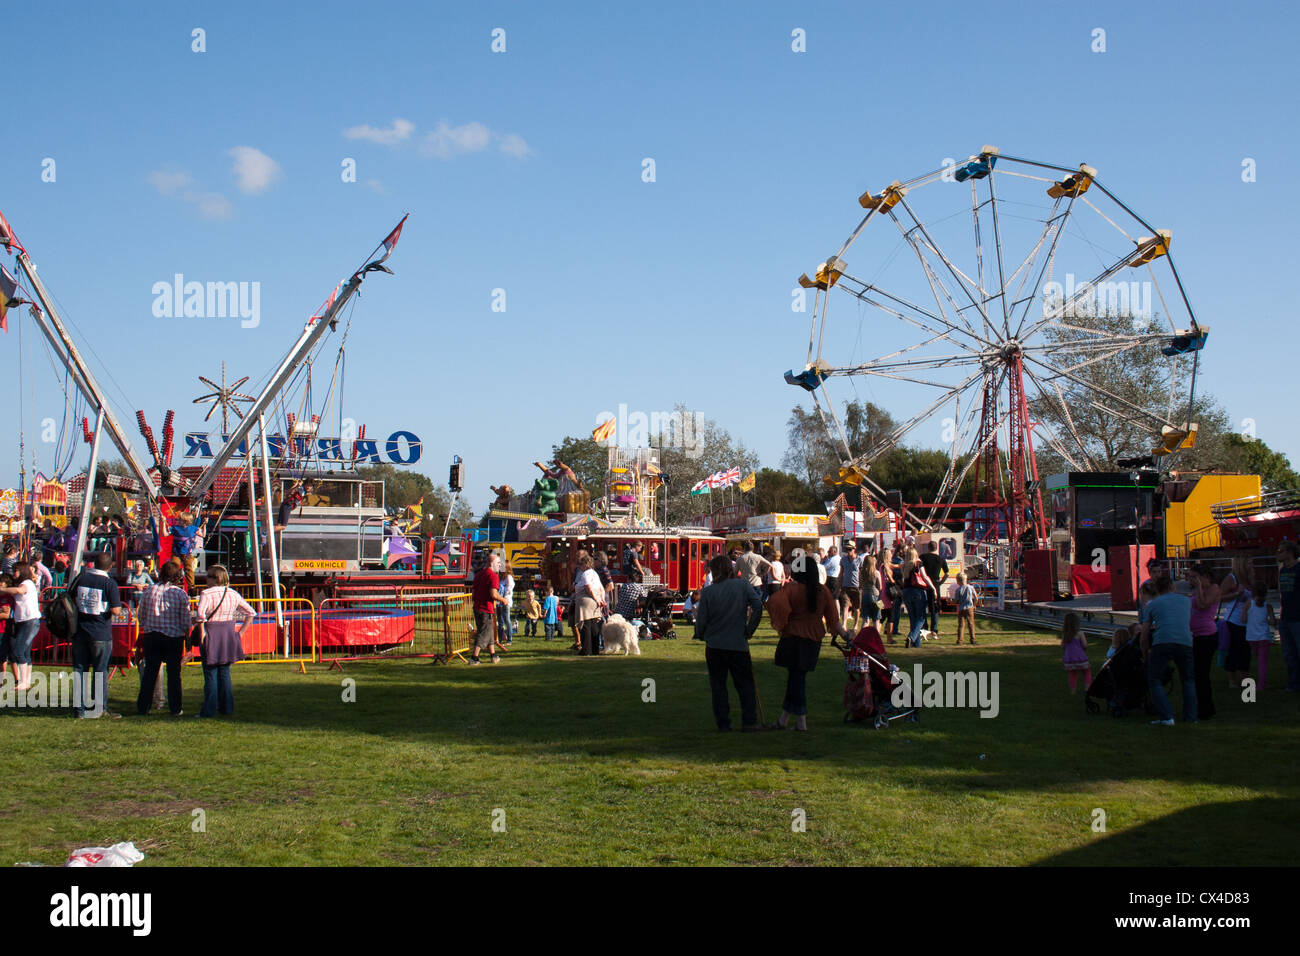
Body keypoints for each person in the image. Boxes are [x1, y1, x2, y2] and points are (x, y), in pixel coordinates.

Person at [768, 556, 848, 731]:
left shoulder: (792, 589)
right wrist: (845, 635)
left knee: (796, 679)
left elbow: (774, 603)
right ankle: (784, 719)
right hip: (814, 638)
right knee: (797, 678)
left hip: (793, 636)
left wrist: (783, 621)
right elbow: (833, 619)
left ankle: (801, 721)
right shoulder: (823, 591)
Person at [694, 554, 765, 732]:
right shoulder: (742, 585)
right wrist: (750, 629)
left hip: (715, 645)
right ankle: (749, 722)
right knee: (745, 685)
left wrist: (701, 634)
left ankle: (723, 724)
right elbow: (758, 606)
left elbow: (701, 619)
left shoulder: (709, 591)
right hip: (738, 644)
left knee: (719, 687)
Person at [195, 564, 255, 717]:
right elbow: (250, 612)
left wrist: (202, 636)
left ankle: (209, 710)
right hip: (228, 633)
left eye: (208, 576)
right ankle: (227, 708)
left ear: (215, 579)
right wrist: (240, 633)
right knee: (224, 672)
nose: (205, 579)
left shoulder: (206, 594)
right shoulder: (233, 593)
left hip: (211, 632)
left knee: (210, 673)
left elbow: (200, 616)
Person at [71, 552, 124, 719]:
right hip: (100, 631)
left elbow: (70, 599)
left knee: (80, 670)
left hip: (80, 630)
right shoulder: (109, 583)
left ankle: (79, 709)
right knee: (100, 671)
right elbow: (115, 610)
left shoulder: (81, 579)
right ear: (110, 566)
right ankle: (99, 708)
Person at [135, 561, 190, 717]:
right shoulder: (180, 594)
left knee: (150, 673)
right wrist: (187, 635)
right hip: (173, 637)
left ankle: (143, 707)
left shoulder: (149, 590)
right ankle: (175, 708)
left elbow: (141, 616)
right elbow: (185, 620)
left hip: (152, 636)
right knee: (174, 674)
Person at [1140, 575, 1196, 726]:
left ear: (1158, 590)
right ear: (1173, 587)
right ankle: (1191, 716)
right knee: (1188, 679)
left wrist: (1145, 654)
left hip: (1163, 641)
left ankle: (1166, 715)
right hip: (1185, 641)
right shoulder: (1186, 601)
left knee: (1154, 679)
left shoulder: (1153, 604)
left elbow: (1144, 633)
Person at [0, 562, 41, 692]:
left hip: (30, 621)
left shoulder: (27, 583)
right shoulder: (24, 583)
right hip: (24, 621)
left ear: (22, 571)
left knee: (18, 650)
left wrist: (2, 590)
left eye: (16, 571)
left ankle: (23, 681)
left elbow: (19, 591)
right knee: (25, 653)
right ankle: (26, 681)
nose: (14, 573)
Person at [1187, 562, 1219, 720]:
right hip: (1193, 635)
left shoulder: (1213, 589)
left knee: (1202, 673)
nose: (1192, 580)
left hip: (1206, 635)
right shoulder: (1195, 590)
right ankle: (1199, 705)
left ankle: (1206, 708)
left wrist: (1199, 587)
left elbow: (1202, 605)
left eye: (1195, 577)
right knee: (1195, 673)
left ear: (1205, 577)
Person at [469, 553, 508, 665]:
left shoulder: (479, 574)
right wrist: (503, 600)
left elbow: (473, 593)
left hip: (477, 607)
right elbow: (494, 594)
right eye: (498, 563)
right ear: (492, 563)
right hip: (486, 608)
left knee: (489, 632)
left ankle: (493, 655)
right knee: (483, 633)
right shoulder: (493, 576)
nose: (500, 565)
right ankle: (474, 658)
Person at [1219, 557, 1252, 688]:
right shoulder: (1232, 578)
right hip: (1233, 620)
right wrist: (1236, 594)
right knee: (1234, 649)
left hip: (1248, 621)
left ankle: (1245, 678)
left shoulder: (1250, 578)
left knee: (1246, 651)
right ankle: (1232, 680)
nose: (1252, 565)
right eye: (1249, 563)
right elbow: (1220, 596)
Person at [1245, 576, 1277, 693]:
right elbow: (1273, 622)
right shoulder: (1268, 606)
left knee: (1258, 659)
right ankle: (1262, 684)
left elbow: (1243, 619)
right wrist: (1269, 621)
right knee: (1262, 661)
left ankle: (1262, 682)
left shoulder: (1248, 604)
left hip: (1251, 636)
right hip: (1263, 636)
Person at [573, 553, 608, 656]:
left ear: (585, 564)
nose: (579, 567)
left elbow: (588, 587)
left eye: (581, 564)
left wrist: (596, 598)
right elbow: (601, 588)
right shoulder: (595, 573)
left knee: (585, 626)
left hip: (586, 601)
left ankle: (586, 650)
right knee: (594, 627)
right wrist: (601, 599)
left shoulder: (585, 574)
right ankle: (594, 649)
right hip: (594, 602)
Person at [900, 547, 935, 648]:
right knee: (921, 618)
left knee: (913, 618)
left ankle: (916, 643)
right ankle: (911, 637)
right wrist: (932, 588)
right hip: (918, 591)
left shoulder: (904, 565)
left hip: (906, 592)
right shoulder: (918, 564)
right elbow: (924, 576)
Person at [1277, 542, 1300, 692]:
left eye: (1280, 551)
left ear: (1290, 552)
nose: (1277, 553)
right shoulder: (1283, 570)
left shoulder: (1299, 569)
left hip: (1298, 617)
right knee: (1289, 653)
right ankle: (1293, 683)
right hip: (1285, 617)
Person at [919, 540, 950, 634]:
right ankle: (934, 628)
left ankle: (924, 626)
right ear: (937, 548)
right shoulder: (941, 559)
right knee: (934, 608)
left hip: (924, 584)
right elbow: (947, 574)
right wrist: (941, 582)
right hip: (936, 584)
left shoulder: (923, 557)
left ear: (928, 547)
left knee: (923, 607)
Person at [1060, 612, 1091, 694]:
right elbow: (1085, 645)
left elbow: (1062, 645)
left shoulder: (1065, 634)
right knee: (1086, 672)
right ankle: (1087, 689)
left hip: (1070, 658)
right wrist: (1083, 648)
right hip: (1081, 657)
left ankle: (1073, 691)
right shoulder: (1080, 633)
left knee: (1073, 674)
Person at [838, 541, 862, 633]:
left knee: (856, 607)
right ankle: (844, 624)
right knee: (845, 606)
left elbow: (860, 574)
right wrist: (839, 585)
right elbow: (841, 573)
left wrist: (861, 586)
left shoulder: (859, 560)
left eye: (850, 549)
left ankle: (855, 625)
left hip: (856, 586)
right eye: (847, 549)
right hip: (845, 586)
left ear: (854, 549)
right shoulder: (843, 559)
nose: (848, 551)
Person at [954, 571, 978, 646]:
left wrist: (952, 600)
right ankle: (973, 639)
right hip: (969, 607)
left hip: (961, 608)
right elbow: (976, 598)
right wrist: (974, 605)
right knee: (971, 624)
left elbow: (956, 601)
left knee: (961, 625)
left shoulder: (958, 590)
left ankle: (960, 640)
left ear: (958, 581)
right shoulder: (971, 587)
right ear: (966, 579)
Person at [496, 561, 516, 646]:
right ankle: (500, 639)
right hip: (499, 601)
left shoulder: (509, 577)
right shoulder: (500, 577)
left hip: (506, 601)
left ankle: (509, 639)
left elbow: (509, 589)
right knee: (500, 621)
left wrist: (504, 598)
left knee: (506, 620)